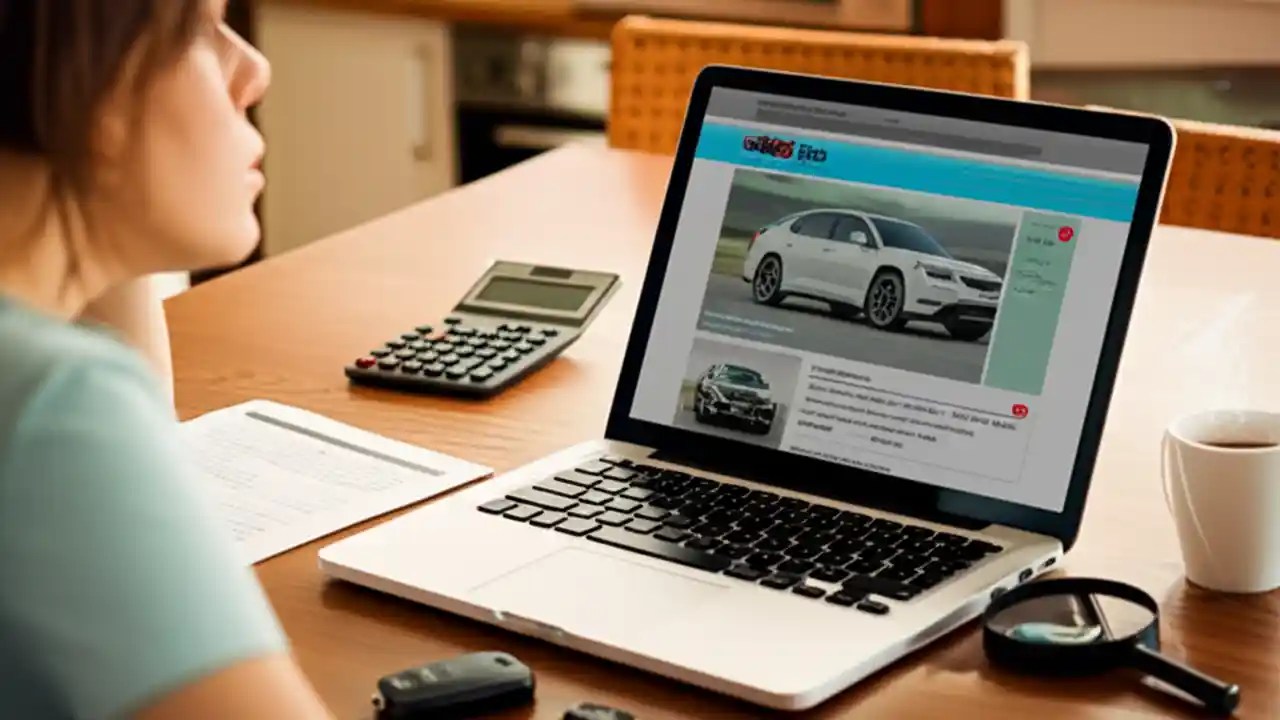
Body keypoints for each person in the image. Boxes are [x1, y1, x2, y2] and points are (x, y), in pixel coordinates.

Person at [0, 1, 335, 717]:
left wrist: (100, 226)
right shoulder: (54, 407)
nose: (255, 69)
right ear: (91, 84)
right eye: (196, 30)